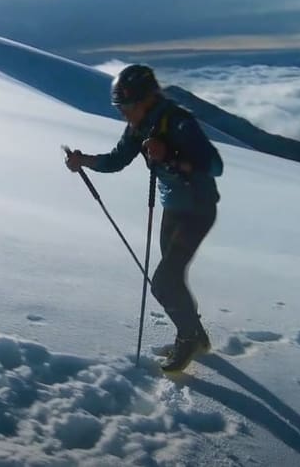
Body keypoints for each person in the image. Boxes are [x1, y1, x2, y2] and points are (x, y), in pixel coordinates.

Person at [66, 64, 223, 372]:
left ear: (147, 99)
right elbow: (116, 160)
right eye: (120, 107)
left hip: (198, 209)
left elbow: (214, 165)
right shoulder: (139, 128)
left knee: (164, 282)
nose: (123, 113)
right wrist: (83, 161)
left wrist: (171, 157)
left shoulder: (178, 123)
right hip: (174, 208)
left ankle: (189, 338)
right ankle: (196, 336)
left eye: (127, 106)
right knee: (172, 278)